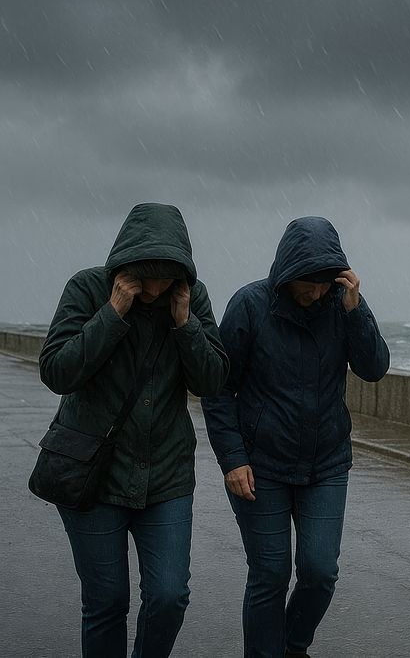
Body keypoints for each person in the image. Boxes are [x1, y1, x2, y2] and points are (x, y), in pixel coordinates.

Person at [38, 203, 229, 657]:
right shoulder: (87, 288)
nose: (156, 287)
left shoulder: (190, 297)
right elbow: (57, 372)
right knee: (106, 602)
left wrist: (185, 324)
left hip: (166, 474)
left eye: (166, 277)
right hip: (92, 472)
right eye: (148, 275)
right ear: (126, 264)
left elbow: (213, 380)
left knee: (169, 596)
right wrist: (113, 311)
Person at [201, 216, 390, 658]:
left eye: (326, 282)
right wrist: (232, 458)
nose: (317, 292)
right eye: (309, 283)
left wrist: (356, 309)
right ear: (287, 273)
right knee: (268, 575)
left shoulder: (342, 305)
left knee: (320, 571)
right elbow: (217, 388)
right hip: (260, 466)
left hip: (325, 464)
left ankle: (292, 645)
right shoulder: (249, 306)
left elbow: (375, 367)